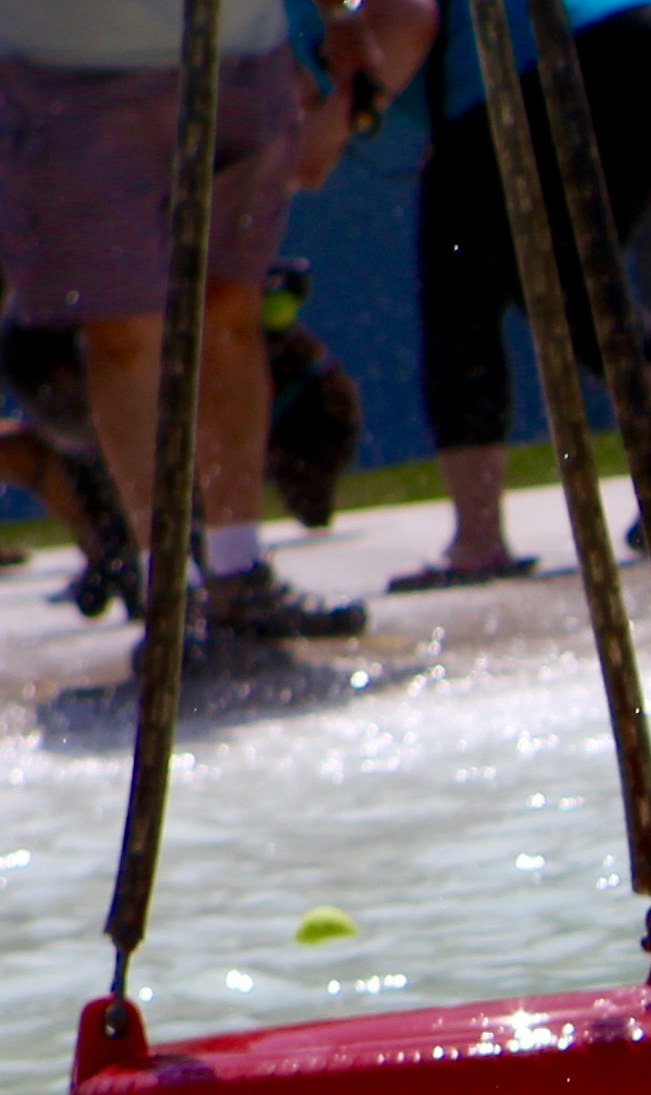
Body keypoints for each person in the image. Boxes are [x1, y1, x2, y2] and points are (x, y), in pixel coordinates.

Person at [0, 0, 406, 637]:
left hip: (236, 55)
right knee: (122, 330)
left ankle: (237, 569)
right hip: (65, 70)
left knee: (229, 309)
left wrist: (342, 13)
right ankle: (168, 585)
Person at [388, 0, 651, 593]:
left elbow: (407, 18)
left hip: (523, 68)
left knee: (460, 301)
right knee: (571, 275)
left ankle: (477, 540)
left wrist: (340, 108)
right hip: (645, 38)